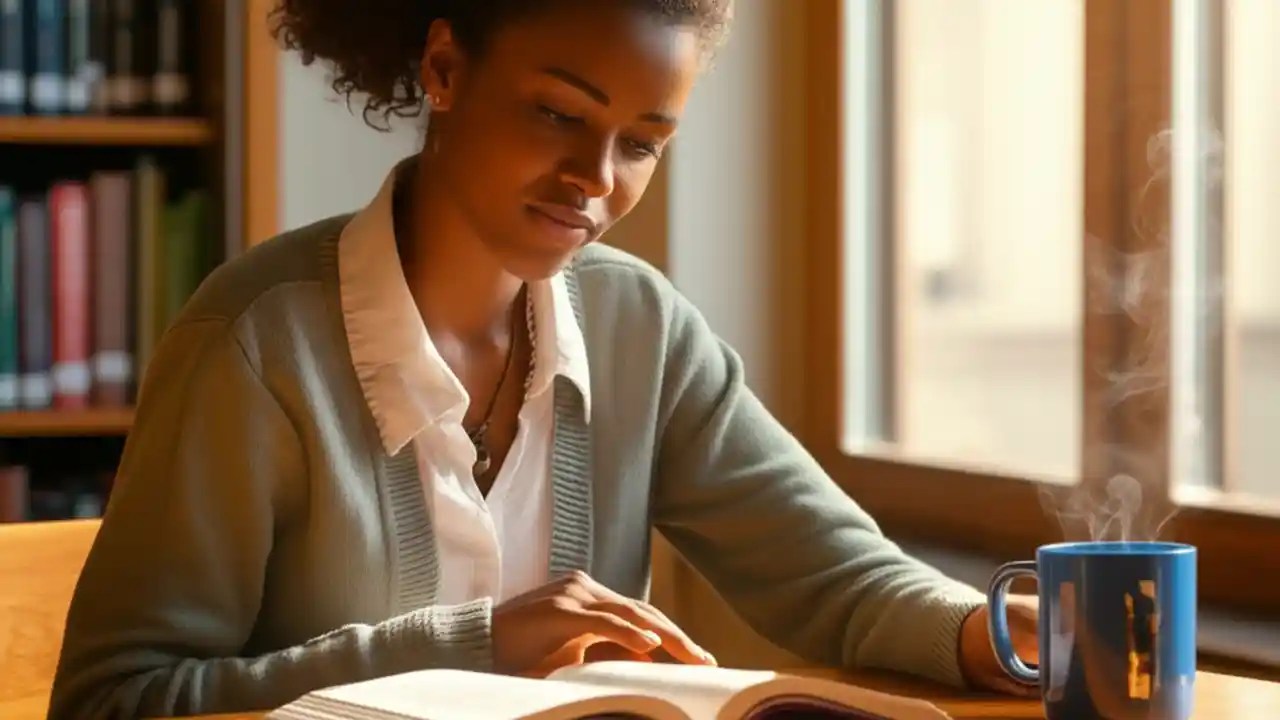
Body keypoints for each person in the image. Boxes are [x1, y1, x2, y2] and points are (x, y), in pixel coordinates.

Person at [48, 1, 1039, 717]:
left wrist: (991, 634)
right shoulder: (257, 346)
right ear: (443, 68)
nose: (593, 184)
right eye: (558, 114)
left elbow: (834, 577)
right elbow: (117, 699)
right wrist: (473, 646)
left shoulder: (636, 324)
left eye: (642, 145)